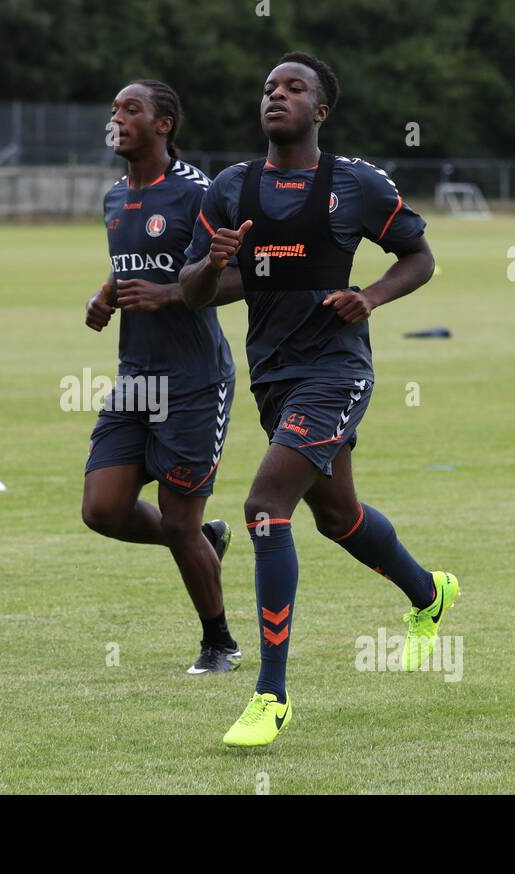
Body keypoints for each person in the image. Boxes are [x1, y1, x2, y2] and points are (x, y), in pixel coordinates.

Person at [179, 53, 460, 746]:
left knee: (265, 507)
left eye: (293, 87)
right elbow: (192, 293)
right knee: (338, 517)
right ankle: (430, 594)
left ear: (320, 111)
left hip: (337, 372)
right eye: (269, 86)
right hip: (271, 376)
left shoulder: (354, 185)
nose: (276, 95)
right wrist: (213, 263)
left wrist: (368, 297)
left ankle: (270, 695)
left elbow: (419, 257)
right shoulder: (230, 188)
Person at [83, 80, 243, 675]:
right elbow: (128, 265)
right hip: (136, 379)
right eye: (114, 110)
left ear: (164, 124)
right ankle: (206, 538)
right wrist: (105, 296)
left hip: (196, 381)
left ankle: (219, 643)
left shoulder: (201, 193)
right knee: (102, 510)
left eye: (131, 109)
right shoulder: (113, 198)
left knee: (179, 521)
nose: (117, 118)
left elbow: (239, 279)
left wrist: (171, 292)